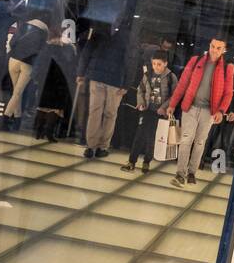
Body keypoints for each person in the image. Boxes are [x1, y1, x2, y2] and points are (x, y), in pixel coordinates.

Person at [162, 36, 234, 187]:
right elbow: (182, 84)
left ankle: (192, 173)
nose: (214, 50)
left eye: (218, 48)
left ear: (224, 50)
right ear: (209, 45)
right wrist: (172, 104)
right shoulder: (196, 61)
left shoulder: (227, 68)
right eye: (213, 46)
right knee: (186, 140)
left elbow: (228, 93)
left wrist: (221, 111)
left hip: (209, 112)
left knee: (200, 142)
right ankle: (180, 174)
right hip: (190, 107)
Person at [77, 18, 131, 159]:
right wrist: (126, 83)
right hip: (115, 79)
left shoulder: (99, 31)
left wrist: (81, 73)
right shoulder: (127, 36)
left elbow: (86, 52)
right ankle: (102, 147)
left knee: (95, 112)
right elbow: (130, 60)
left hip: (96, 76)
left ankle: (90, 147)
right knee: (110, 114)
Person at [123, 50, 177, 173]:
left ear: (165, 64)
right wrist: (141, 102)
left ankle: (147, 161)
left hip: (160, 113)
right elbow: (140, 89)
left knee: (152, 138)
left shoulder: (171, 77)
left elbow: (174, 95)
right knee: (139, 135)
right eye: (154, 64)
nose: (156, 67)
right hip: (147, 110)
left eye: (159, 64)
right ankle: (131, 161)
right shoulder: (147, 75)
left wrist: (164, 107)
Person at [31, 22, 78, 145]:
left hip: (45, 80)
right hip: (60, 82)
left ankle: (38, 131)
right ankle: (49, 131)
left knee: (42, 106)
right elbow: (71, 66)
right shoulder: (67, 48)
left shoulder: (45, 48)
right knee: (55, 108)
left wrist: (35, 77)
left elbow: (38, 64)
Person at [3, 13, 48, 127]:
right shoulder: (44, 33)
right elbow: (42, 53)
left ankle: (17, 119)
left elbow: (12, 43)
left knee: (16, 93)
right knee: (18, 92)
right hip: (28, 63)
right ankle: (5, 118)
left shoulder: (23, 26)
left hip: (13, 60)